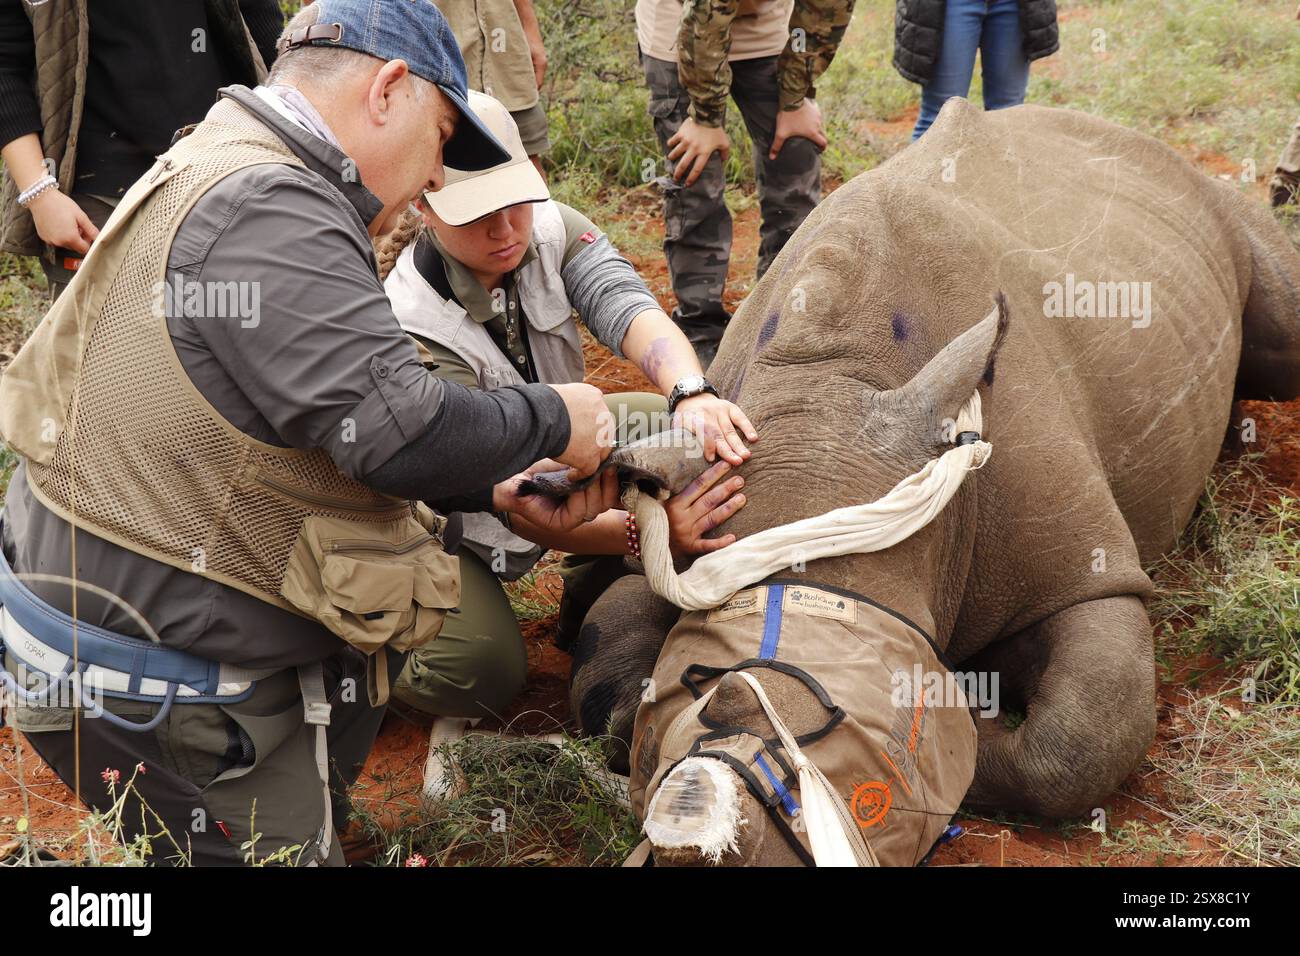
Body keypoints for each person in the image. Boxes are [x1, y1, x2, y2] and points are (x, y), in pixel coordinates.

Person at [0, 0, 617, 866]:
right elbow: (397, 433)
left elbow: (318, 414)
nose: (432, 182)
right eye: (441, 142)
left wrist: (491, 486)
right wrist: (558, 416)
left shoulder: (231, 156)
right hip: (144, 661)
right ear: (388, 90)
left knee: (344, 706)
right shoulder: (270, 204)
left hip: (124, 592)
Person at [377, 90, 757, 727]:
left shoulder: (550, 227)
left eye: (515, 202)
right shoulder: (410, 322)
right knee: (480, 670)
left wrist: (691, 392)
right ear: (424, 204)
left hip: (555, 457)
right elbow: (518, 501)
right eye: (478, 215)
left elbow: (624, 303)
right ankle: (364, 654)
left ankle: (591, 607)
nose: (505, 230)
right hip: (448, 523)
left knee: (664, 427)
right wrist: (647, 532)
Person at [0, 0, 285, 300]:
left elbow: (264, 31)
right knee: (103, 331)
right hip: (98, 205)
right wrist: (40, 194)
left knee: (237, 321)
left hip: (226, 178)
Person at [635, 0, 856, 369]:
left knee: (795, 160)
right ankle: (702, 334)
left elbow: (827, 8)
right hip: (681, 29)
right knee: (696, 181)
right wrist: (705, 118)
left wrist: (795, 97)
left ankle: (782, 317)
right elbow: (705, 16)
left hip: (769, 31)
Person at [894, 0, 1059, 141]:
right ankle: (927, 171)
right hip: (951, 4)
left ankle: (998, 171)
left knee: (1008, 115)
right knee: (941, 116)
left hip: (1013, 4)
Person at [433, 0, 551, 171]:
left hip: (506, 43)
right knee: (441, 160)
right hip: (441, 45)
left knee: (526, 153)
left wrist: (531, 31)